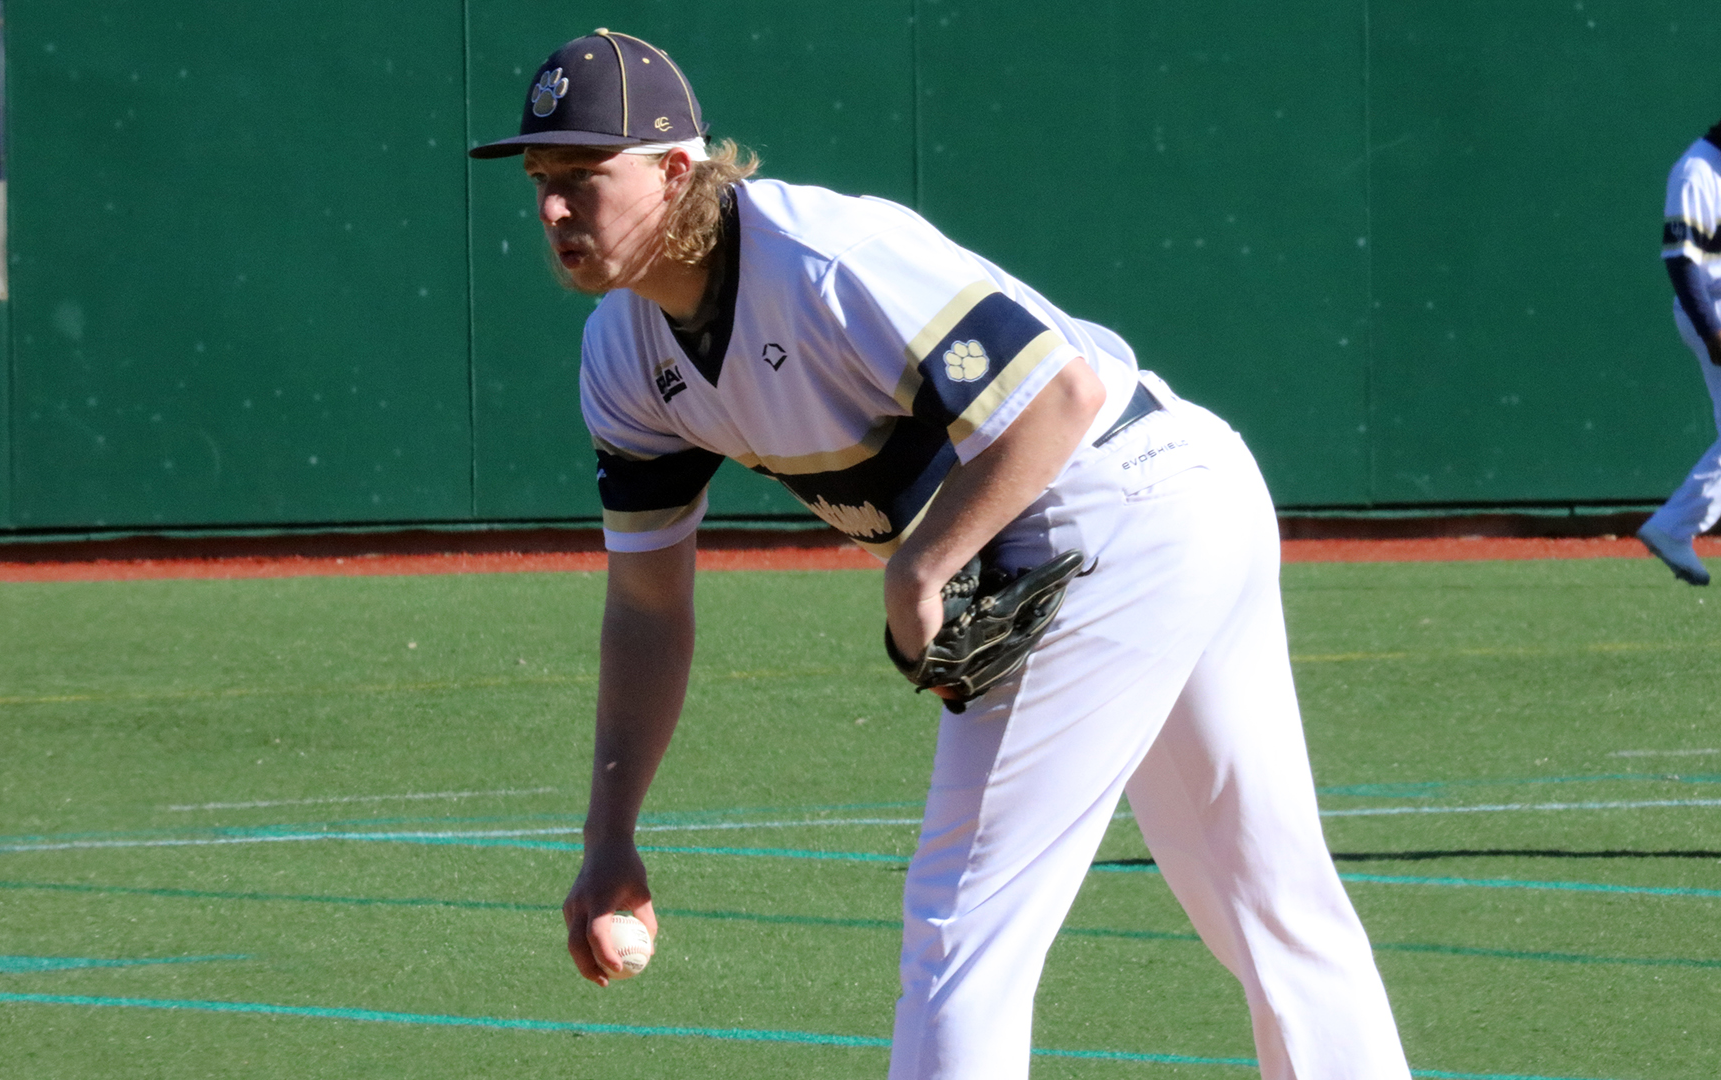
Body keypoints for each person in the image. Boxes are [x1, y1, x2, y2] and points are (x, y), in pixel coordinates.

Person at [468, 29, 1412, 1080]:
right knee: (1265, 897)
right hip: (1174, 499)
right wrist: (609, 836)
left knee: (965, 920)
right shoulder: (625, 355)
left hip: (1115, 508)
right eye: (542, 180)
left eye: (584, 177)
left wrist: (923, 565)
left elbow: (1058, 397)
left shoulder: (827, 262)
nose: (553, 209)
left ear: (676, 169)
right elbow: (648, 605)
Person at [1639, 119, 1721, 586]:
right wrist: (1712, 332)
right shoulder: (1697, 171)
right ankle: (1673, 526)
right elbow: (1681, 261)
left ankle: (1674, 526)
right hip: (1712, 309)